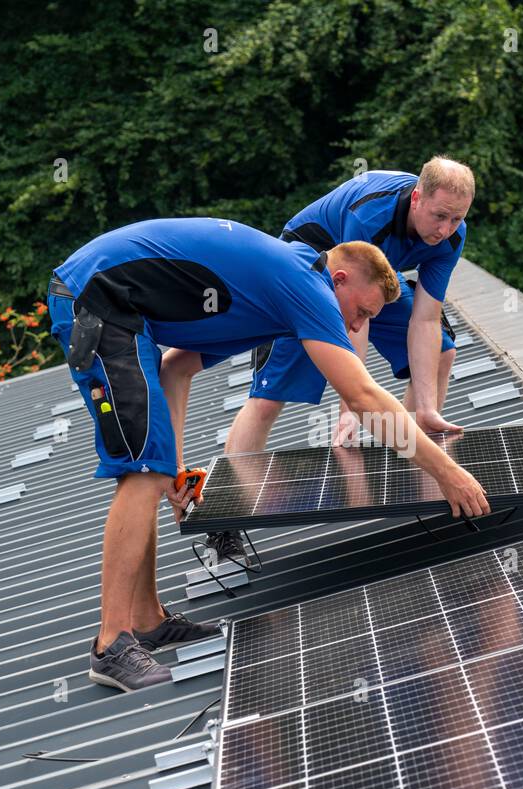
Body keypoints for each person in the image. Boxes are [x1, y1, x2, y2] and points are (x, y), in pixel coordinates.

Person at [49, 217, 489, 692]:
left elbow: (177, 367)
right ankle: (110, 644)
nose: (357, 326)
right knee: (141, 472)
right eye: (360, 311)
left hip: (122, 310)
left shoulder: (273, 296)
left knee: (154, 470)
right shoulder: (307, 286)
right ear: (339, 279)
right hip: (96, 300)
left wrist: (174, 469)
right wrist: (448, 472)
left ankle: (147, 620)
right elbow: (364, 399)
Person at [198, 156, 474, 564]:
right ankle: (225, 522)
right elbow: (352, 315)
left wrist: (429, 408)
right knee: (269, 397)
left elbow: (426, 318)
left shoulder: (452, 235)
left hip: (377, 277)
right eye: (439, 216)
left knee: (442, 350)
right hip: (309, 272)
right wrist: (350, 408)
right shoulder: (372, 212)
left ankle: (414, 460)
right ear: (417, 198)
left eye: (456, 219)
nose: (445, 229)